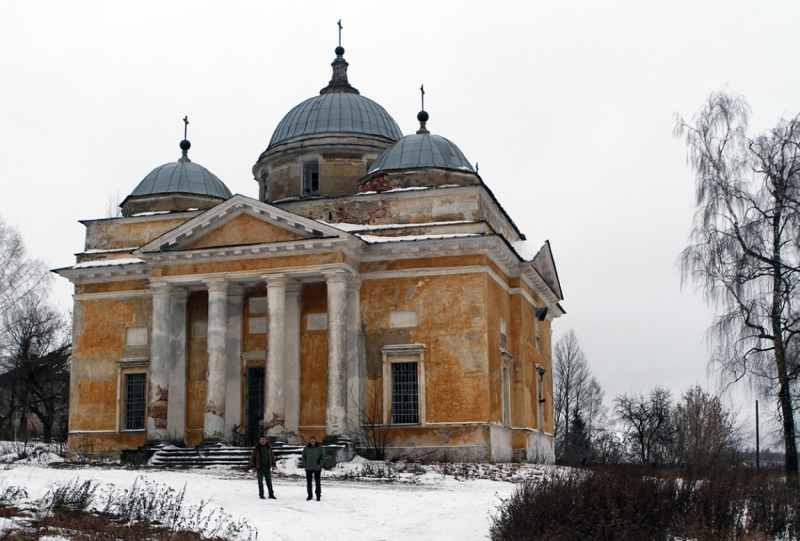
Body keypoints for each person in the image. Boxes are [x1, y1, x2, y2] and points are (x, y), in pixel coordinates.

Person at [249, 435, 276, 500]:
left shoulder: (268, 447)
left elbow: (272, 456)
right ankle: (261, 494)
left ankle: (271, 494)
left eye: (264, 439)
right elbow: (253, 458)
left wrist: (273, 464)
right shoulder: (257, 448)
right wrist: (253, 466)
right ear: (259, 441)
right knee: (260, 482)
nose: (263, 441)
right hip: (259, 467)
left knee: (269, 481)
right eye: (262, 439)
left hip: (267, 467)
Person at [301, 436, 325, 501]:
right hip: (308, 467)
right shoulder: (306, 448)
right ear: (309, 441)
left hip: (317, 467)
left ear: (315, 440)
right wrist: (305, 464)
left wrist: (320, 464)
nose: (312, 440)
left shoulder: (320, 448)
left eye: (313, 439)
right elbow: (303, 457)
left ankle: (318, 495)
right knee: (309, 482)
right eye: (311, 439)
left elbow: (323, 456)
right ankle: (309, 495)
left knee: (317, 482)